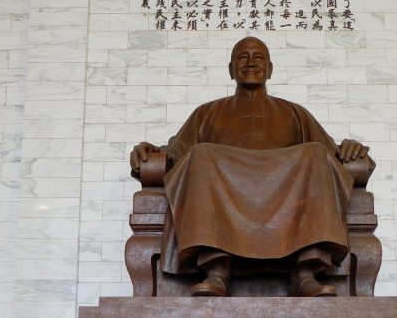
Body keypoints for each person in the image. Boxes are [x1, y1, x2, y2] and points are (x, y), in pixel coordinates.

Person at [129, 37, 372, 297]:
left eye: (258, 57)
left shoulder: (294, 113)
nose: (251, 63)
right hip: (223, 191)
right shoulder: (207, 113)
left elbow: (330, 154)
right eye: (243, 57)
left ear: (270, 68)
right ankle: (216, 269)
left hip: (288, 195)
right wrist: (149, 152)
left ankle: (304, 272)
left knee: (314, 153)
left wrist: (349, 149)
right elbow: (176, 155)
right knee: (201, 155)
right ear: (231, 69)